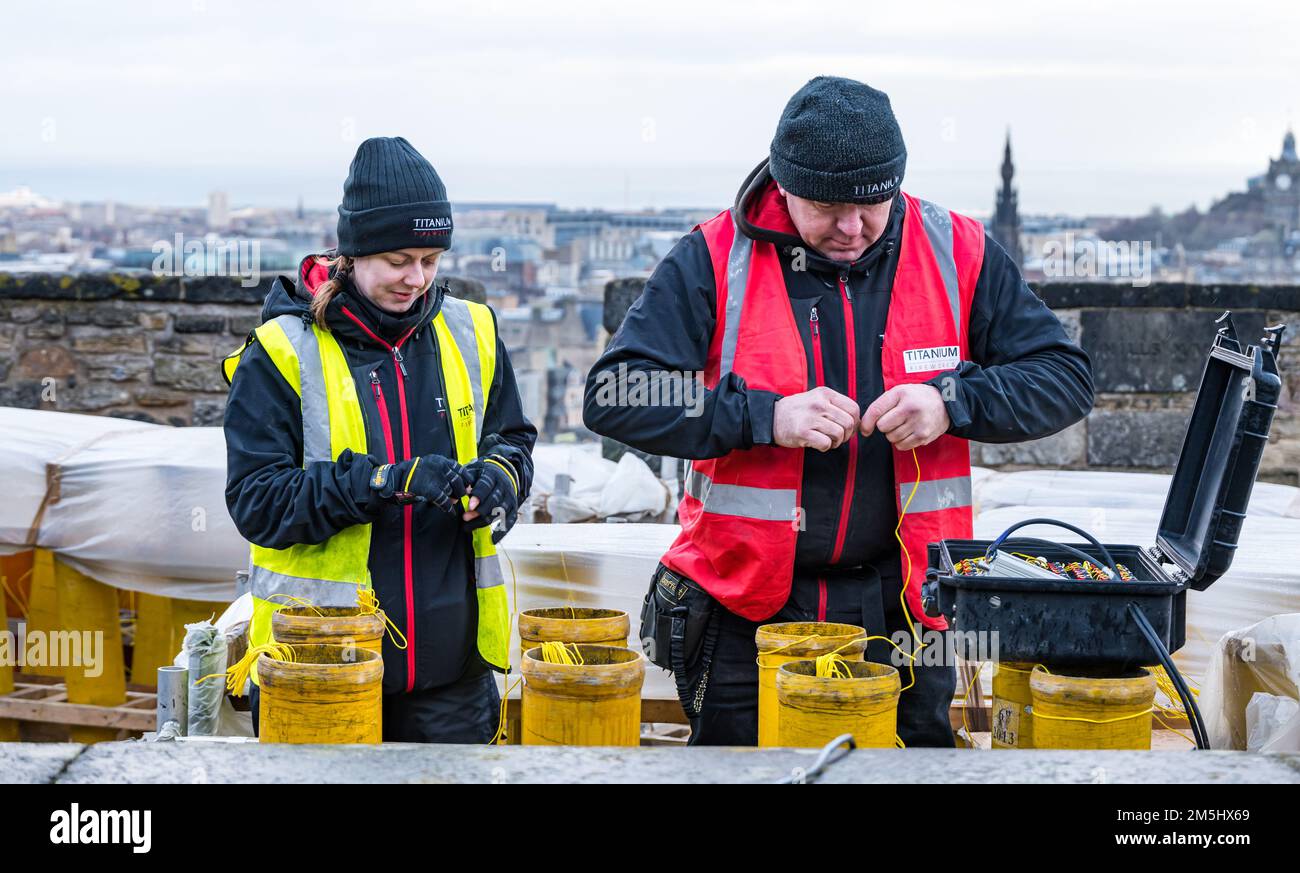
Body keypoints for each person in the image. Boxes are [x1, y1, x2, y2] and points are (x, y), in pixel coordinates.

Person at [583, 77, 1094, 747]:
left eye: (873, 203)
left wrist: (952, 401)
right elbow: (616, 392)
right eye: (827, 207)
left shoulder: (957, 250)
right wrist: (763, 417)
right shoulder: (714, 257)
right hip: (746, 612)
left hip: (905, 611)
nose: (852, 229)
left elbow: (1065, 378)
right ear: (784, 186)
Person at [222, 136, 536, 743]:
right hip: (319, 668)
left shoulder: (473, 330)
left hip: (452, 674)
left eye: (431, 260)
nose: (417, 278)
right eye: (398, 259)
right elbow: (257, 503)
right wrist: (380, 482)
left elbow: (512, 439)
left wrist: (502, 479)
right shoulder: (282, 352)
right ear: (353, 252)